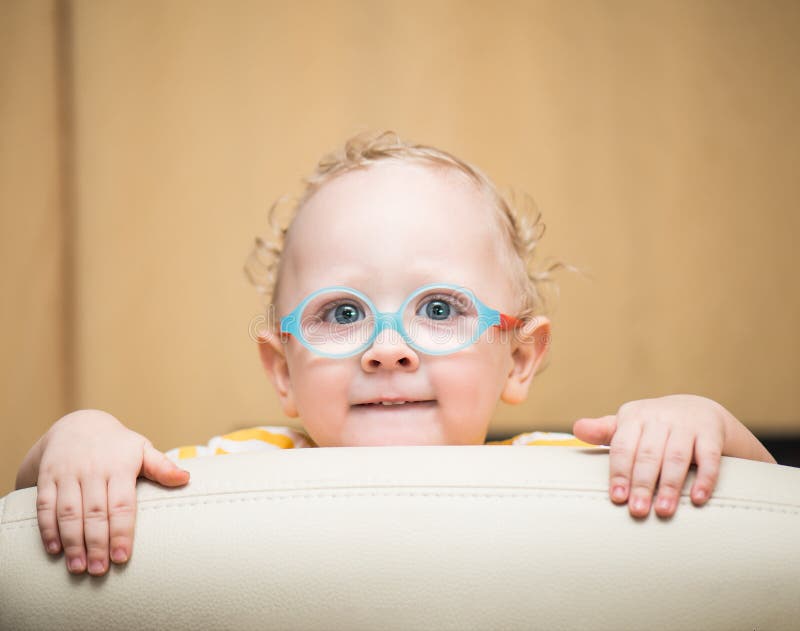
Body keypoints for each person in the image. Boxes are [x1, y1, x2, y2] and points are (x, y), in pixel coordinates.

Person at [15, 131, 776, 577]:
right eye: (342, 313)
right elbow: (32, 516)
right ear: (282, 370)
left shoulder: (565, 471)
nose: (387, 350)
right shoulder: (229, 474)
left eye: (439, 309)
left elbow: (772, 521)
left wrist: (697, 424)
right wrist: (79, 440)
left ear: (519, 358)